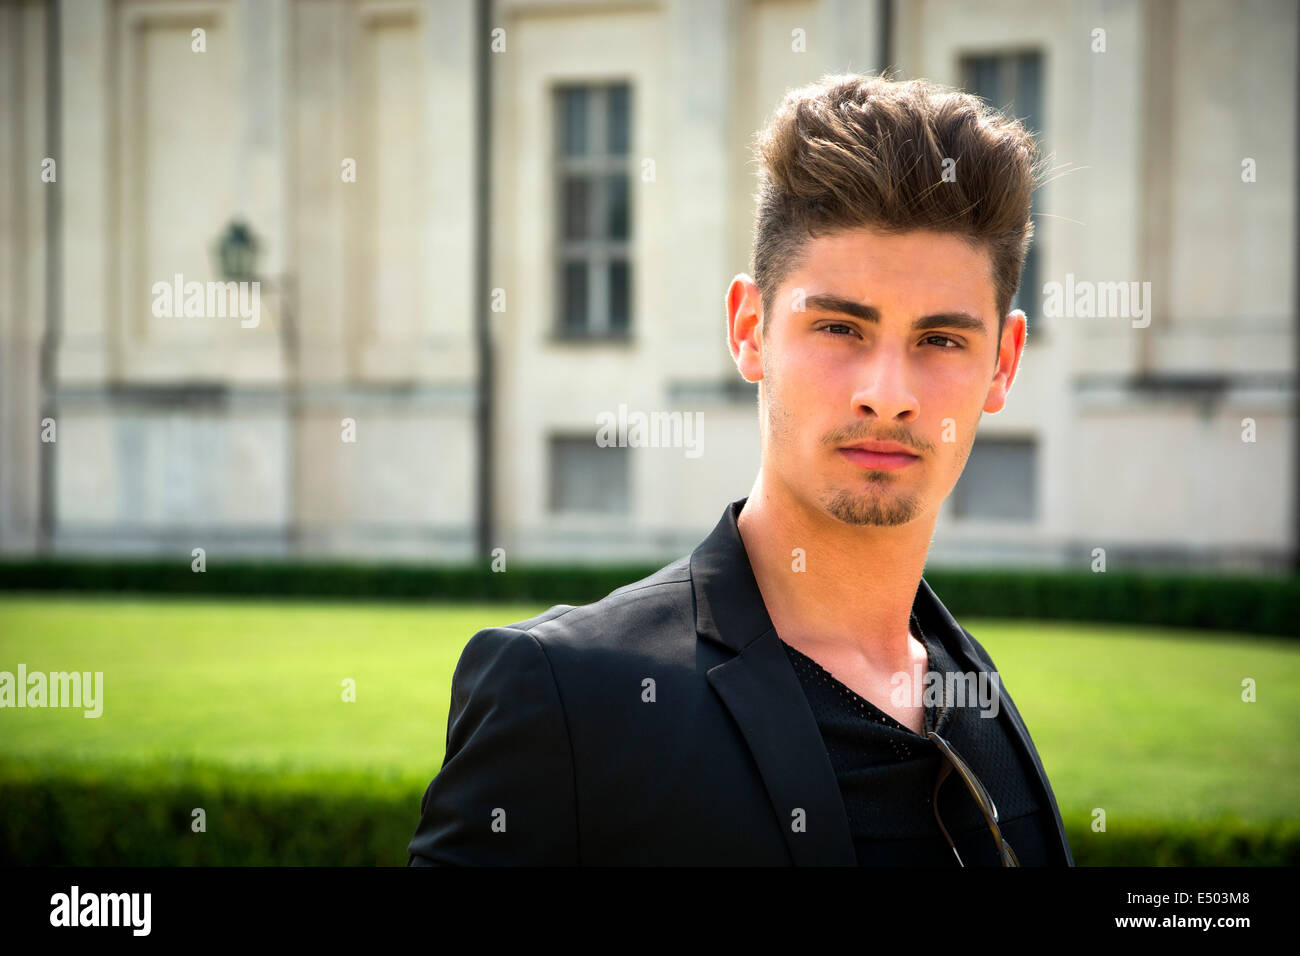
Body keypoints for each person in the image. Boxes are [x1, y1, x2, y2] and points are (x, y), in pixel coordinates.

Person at [408, 71, 1072, 866]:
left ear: (1003, 364)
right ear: (750, 329)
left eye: (940, 341)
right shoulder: (563, 698)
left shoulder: (978, 699)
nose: (888, 396)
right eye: (839, 328)